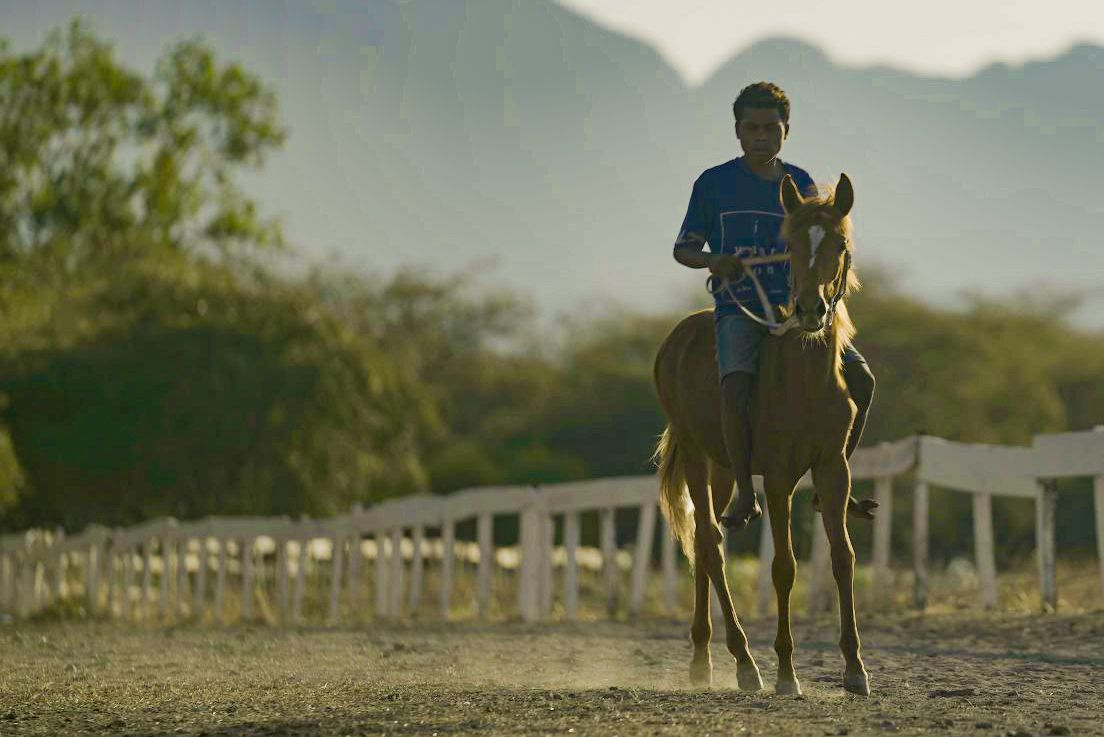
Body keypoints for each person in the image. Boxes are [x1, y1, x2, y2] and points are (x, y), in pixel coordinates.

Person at [672, 81, 876, 531]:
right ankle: (745, 491)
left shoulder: (800, 183)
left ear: (786, 130)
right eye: (752, 127)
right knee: (735, 386)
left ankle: (832, 484)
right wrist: (713, 260)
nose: (761, 135)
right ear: (738, 132)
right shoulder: (712, 184)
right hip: (740, 308)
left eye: (771, 127)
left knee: (861, 378)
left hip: (796, 312)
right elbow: (682, 248)